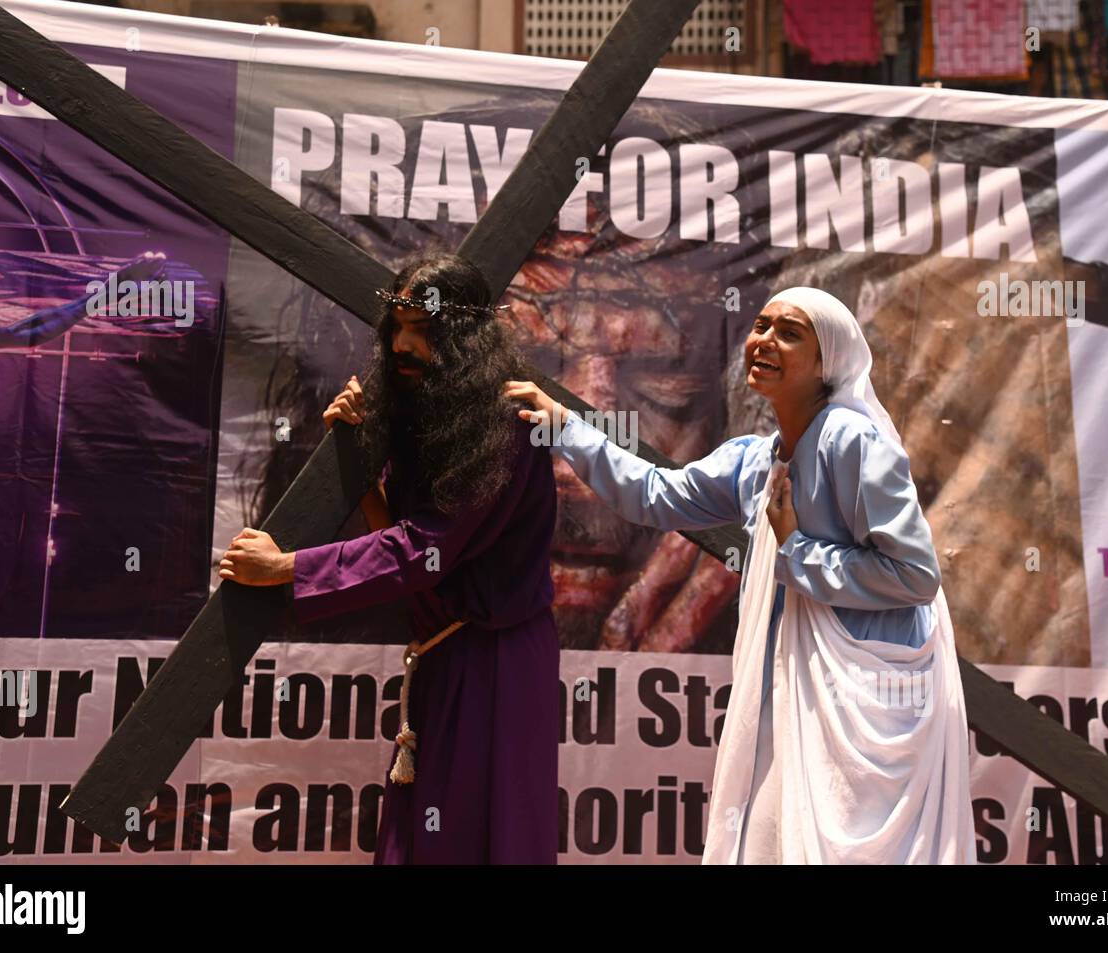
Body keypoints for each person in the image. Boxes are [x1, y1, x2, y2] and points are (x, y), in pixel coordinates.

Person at [506, 286, 975, 864]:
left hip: (866, 705)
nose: (764, 341)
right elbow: (656, 494)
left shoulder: (854, 441)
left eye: (789, 332)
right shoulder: (757, 460)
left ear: (829, 361)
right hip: (791, 693)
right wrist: (567, 426)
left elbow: (913, 574)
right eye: (760, 326)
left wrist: (798, 550)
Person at [220, 251, 560, 864]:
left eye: (422, 332)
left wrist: (285, 567)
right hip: (445, 651)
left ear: (463, 339)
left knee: (479, 836)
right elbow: (408, 538)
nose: (402, 345)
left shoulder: (508, 423)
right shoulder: (436, 413)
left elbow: (419, 551)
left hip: (497, 662)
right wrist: (355, 447)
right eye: (396, 327)